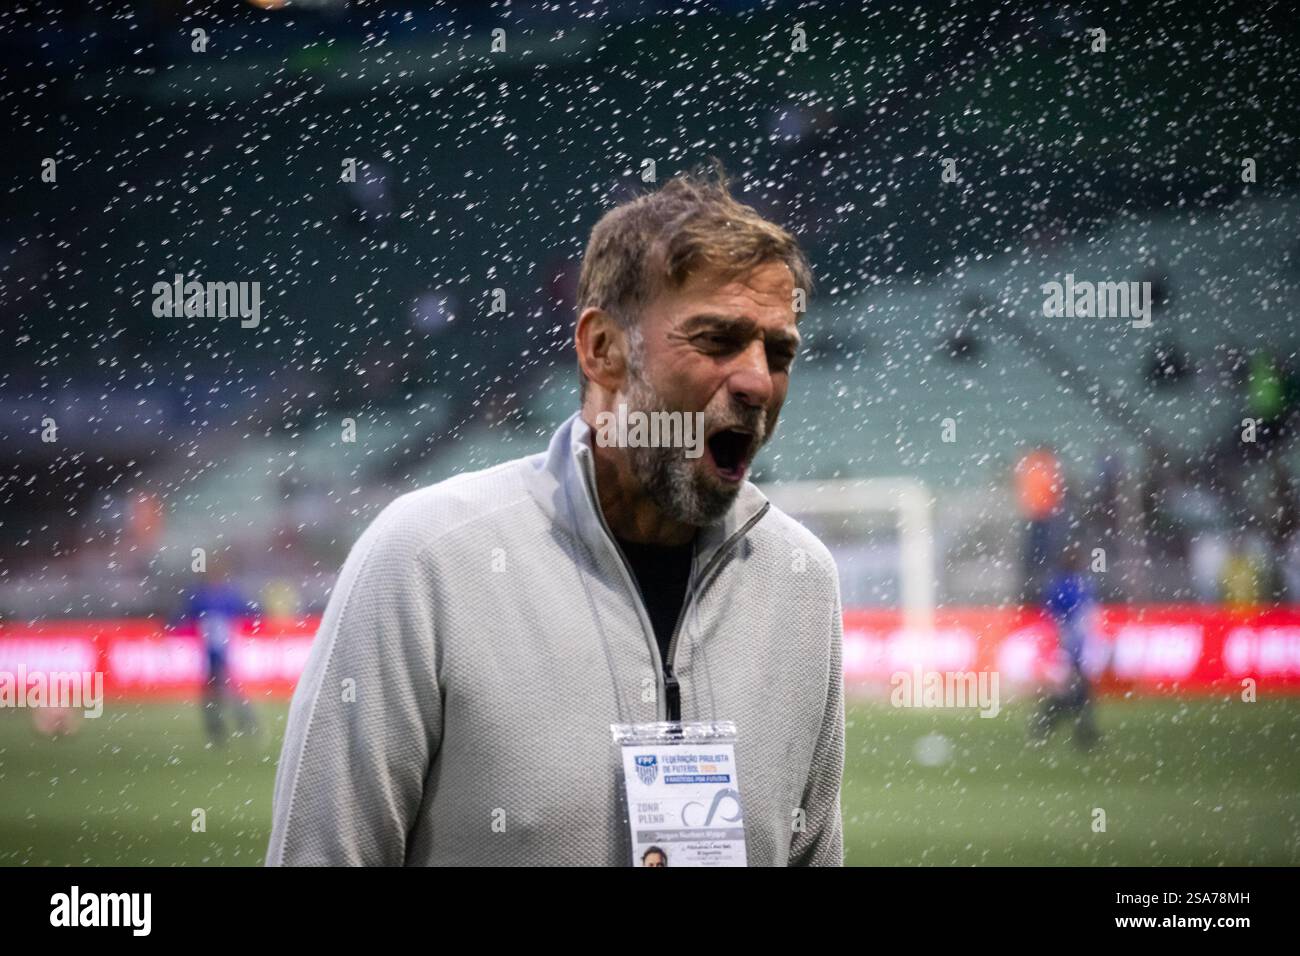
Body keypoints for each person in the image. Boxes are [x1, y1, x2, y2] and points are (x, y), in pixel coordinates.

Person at [267, 164, 845, 867]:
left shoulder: (800, 581)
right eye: (717, 340)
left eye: (778, 350)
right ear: (602, 349)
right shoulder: (427, 561)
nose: (759, 380)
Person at [1029, 546, 1101, 751]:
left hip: (1074, 647)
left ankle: (1051, 725)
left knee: (1076, 692)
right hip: (1072, 648)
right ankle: (1061, 727)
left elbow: (1054, 615)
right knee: (1076, 692)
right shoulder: (1074, 586)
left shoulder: (1065, 585)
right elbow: (1062, 619)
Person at [185, 560, 258, 745]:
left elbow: (183, 617)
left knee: (219, 691)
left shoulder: (207, 597)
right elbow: (250, 610)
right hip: (215, 653)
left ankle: (231, 727)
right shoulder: (220, 597)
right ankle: (237, 726)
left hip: (220, 653)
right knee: (221, 691)